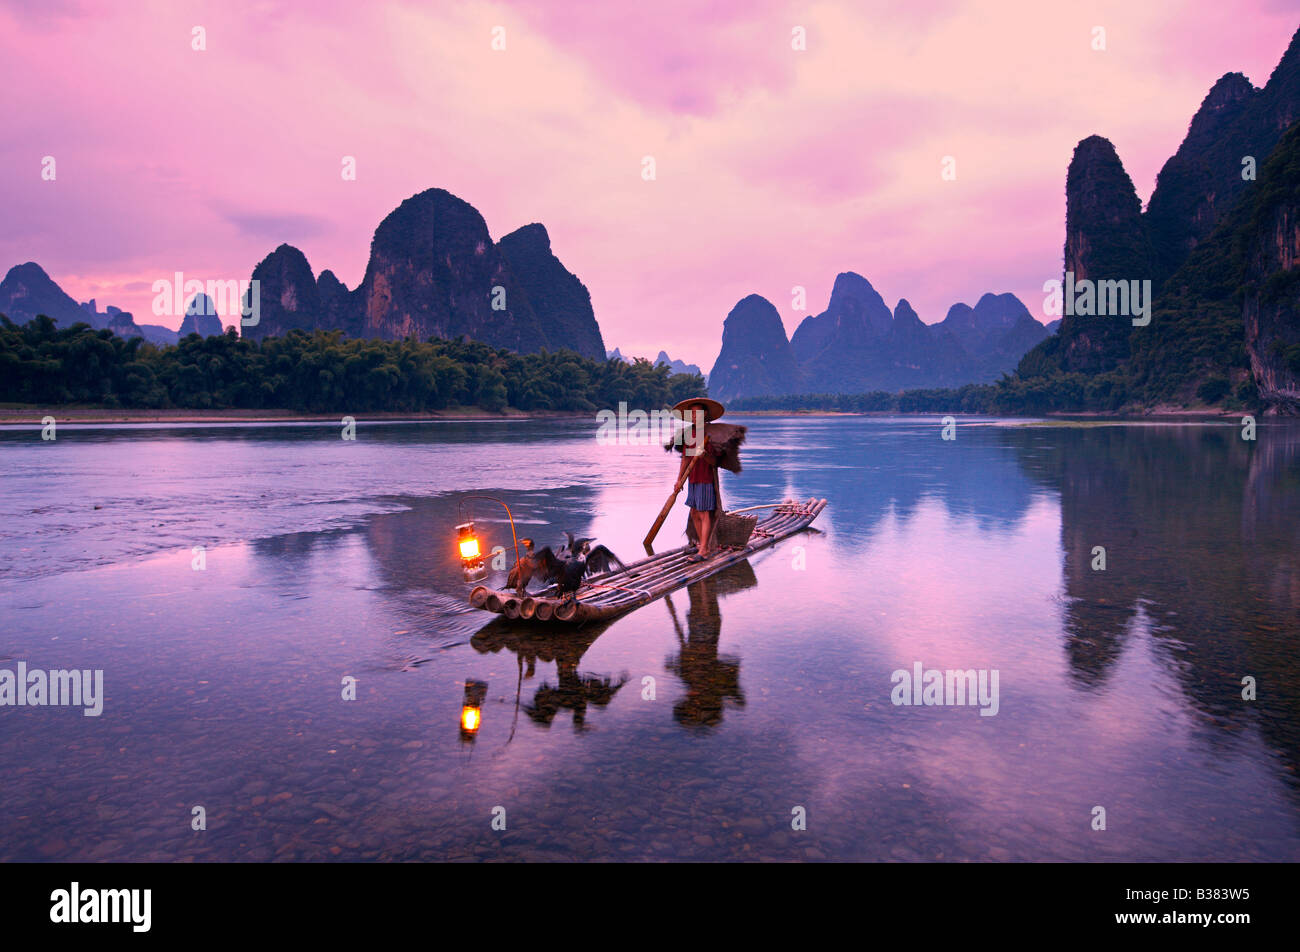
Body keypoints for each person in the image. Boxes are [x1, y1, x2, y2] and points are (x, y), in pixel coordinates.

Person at [672, 397, 727, 561]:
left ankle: (704, 550)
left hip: (705, 478)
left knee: (704, 513)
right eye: (693, 414)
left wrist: (705, 455)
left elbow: (715, 461)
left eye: (698, 413)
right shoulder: (690, 433)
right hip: (693, 478)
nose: (695, 416)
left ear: (705, 415)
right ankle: (702, 545)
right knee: (695, 512)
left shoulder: (711, 434)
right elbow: (685, 459)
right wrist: (679, 480)